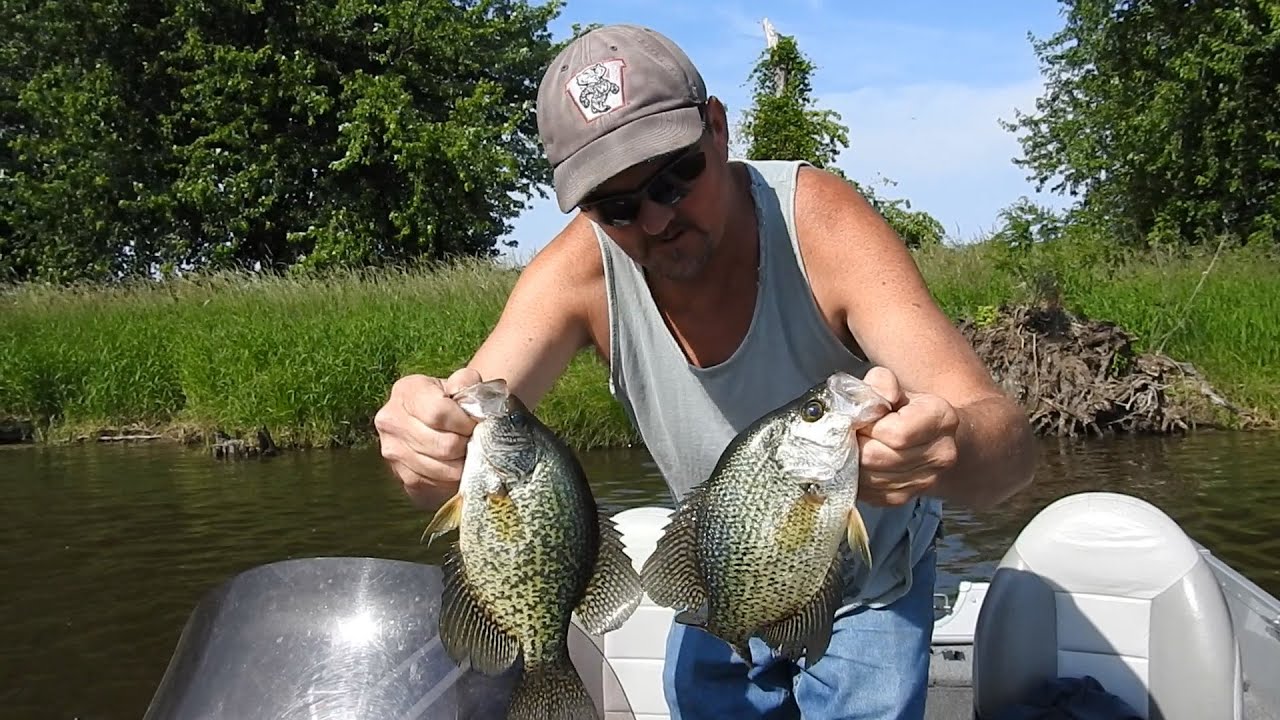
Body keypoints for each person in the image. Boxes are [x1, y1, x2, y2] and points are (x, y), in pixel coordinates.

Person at [374, 22, 1036, 720]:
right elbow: (470, 419)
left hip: (869, 586)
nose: (656, 221)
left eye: (675, 176)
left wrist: (950, 447)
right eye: (617, 206)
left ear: (716, 128)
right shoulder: (575, 274)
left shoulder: (823, 228)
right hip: (720, 573)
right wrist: (424, 440)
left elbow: (1010, 453)